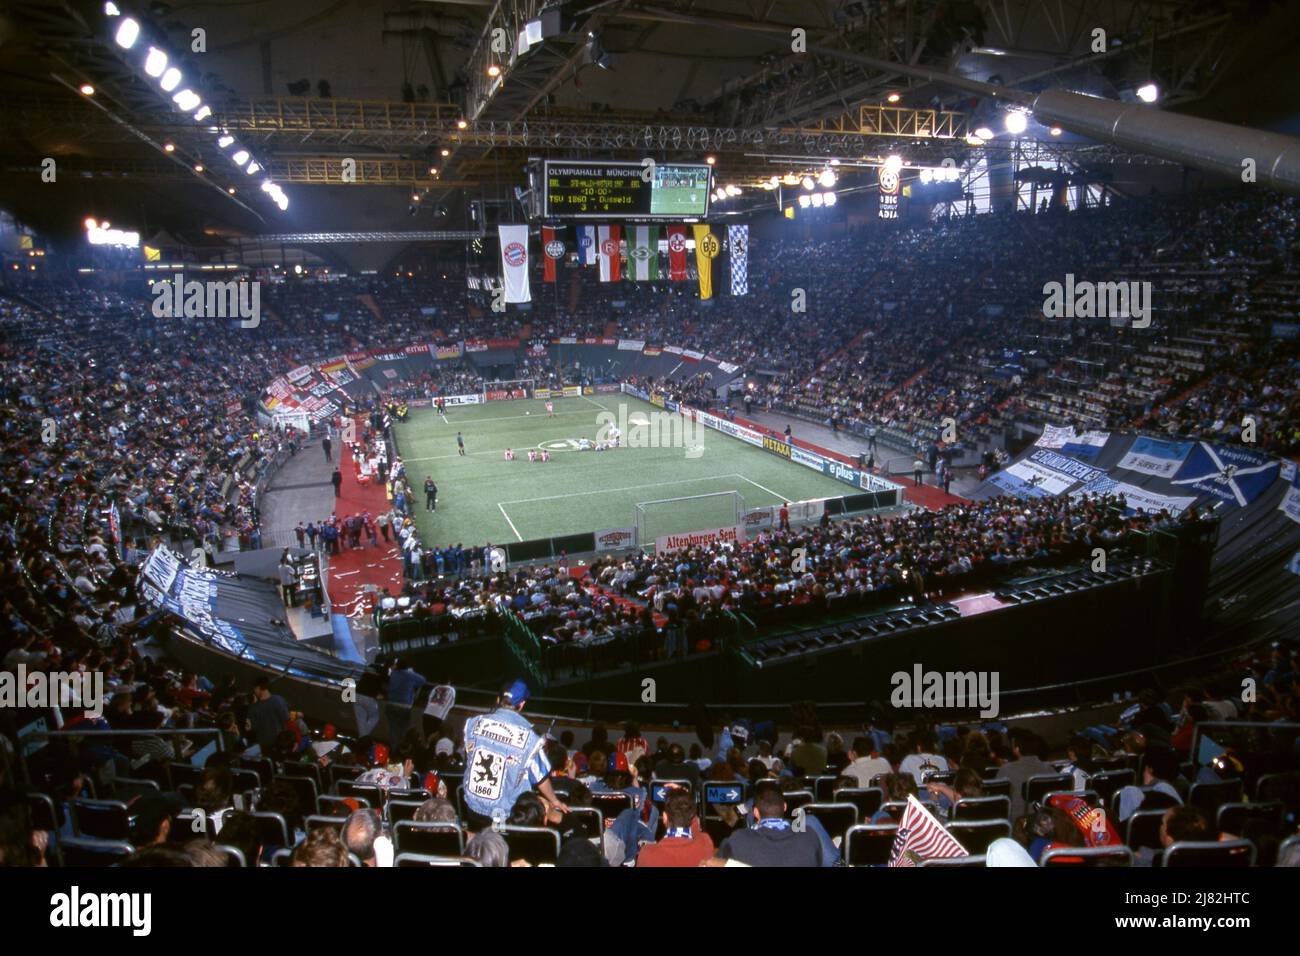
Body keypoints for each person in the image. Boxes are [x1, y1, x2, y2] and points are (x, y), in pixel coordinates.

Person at [462, 680, 568, 830]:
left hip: (472, 808)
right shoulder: (531, 739)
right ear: (522, 704)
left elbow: (469, 757)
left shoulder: (472, 724)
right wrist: (554, 800)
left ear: (498, 700)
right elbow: (540, 777)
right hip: (502, 816)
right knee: (499, 850)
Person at [713, 780, 822, 867]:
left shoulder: (737, 840)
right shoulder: (809, 836)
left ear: (755, 812)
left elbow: (718, 861)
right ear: (784, 807)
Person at [635, 788, 715, 867]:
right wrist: (685, 799)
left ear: (664, 817)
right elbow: (696, 826)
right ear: (693, 816)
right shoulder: (705, 844)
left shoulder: (647, 854)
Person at [996, 730, 1058, 820]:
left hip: (1017, 821)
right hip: (1047, 820)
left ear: (1017, 749)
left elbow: (999, 799)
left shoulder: (1006, 770)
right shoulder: (1050, 769)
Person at [385, 657, 427, 747]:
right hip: (404, 706)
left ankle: (393, 749)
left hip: (391, 703)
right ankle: (401, 748)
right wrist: (411, 672)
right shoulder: (410, 675)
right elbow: (423, 680)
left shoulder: (393, 673)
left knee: (393, 729)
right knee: (403, 729)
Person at [246, 678, 290, 755]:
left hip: (264, 745)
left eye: (255, 688)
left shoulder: (253, 708)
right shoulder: (279, 700)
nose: (254, 691)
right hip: (280, 743)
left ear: (259, 688)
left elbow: (251, 727)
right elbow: (286, 719)